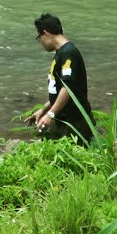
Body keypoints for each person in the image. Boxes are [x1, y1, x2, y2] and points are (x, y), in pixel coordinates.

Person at [31, 13, 92, 144]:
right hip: (64, 120)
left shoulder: (68, 53)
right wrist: (44, 109)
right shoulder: (62, 52)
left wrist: (50, 114)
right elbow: (60, 88)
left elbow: (67, 88)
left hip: (75, 122)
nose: (40, 42)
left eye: (39, 37)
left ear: (45, 34)